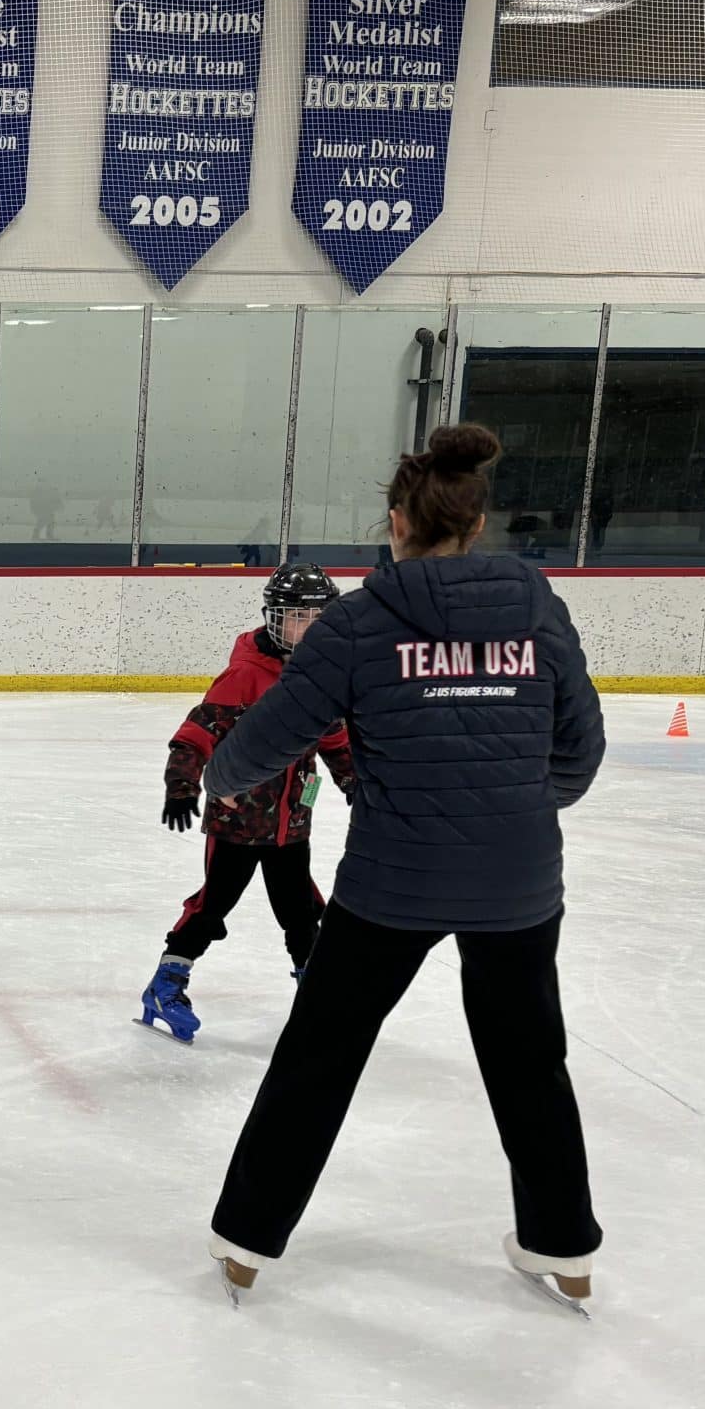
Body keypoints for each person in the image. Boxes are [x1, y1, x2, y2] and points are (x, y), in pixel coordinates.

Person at [200, 425, 608, 1309]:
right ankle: (565, 1245)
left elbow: (260, 745)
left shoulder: (357, 624)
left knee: (321, 1052)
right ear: (478, 521)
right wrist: (516, 810)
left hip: (394, 881)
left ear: (395, 524)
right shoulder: (536, 602)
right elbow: (581, 745)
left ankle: (246, 1242)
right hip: (518, 879)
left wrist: (220, 777)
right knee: (530, 1058)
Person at [140, 564, 357, 1043]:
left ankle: (316, 992)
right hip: (237, 821)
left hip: (291, 823)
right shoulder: (245, 675)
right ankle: (166, 984)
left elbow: (336, 740)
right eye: (298, 617)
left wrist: (357, 788)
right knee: (213, 904)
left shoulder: (321, 675)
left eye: (318, 617)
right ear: (275, 618)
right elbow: (196, 733)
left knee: (301, 910)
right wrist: (182, 785)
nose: (309, 627)